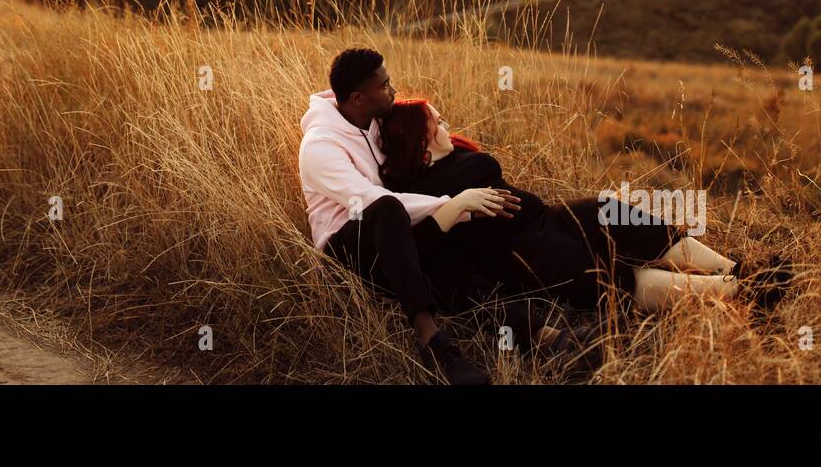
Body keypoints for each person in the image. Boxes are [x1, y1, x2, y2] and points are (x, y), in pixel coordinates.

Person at [377, 98, 795, 324]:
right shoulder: (428, 190)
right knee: (616, 278)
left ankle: (737, 270)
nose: (447, 123)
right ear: (421, 144)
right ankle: (742, 294)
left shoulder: (442, 173)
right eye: (438, 122)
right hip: (529, 253)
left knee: (618, 215)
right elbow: (483, 173)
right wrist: (459, 197)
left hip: (549, 223)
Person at [298, 47, 517, 385]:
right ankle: (432, 340)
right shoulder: (319, 147)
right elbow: (371, 200)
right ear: (358, 97)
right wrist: (451, 205)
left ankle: (538, 330)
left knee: (444, 251)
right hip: (344, 254)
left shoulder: (371, 122)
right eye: (384, 85)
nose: (394, 89)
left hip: (392, 236)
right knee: (391, 210)